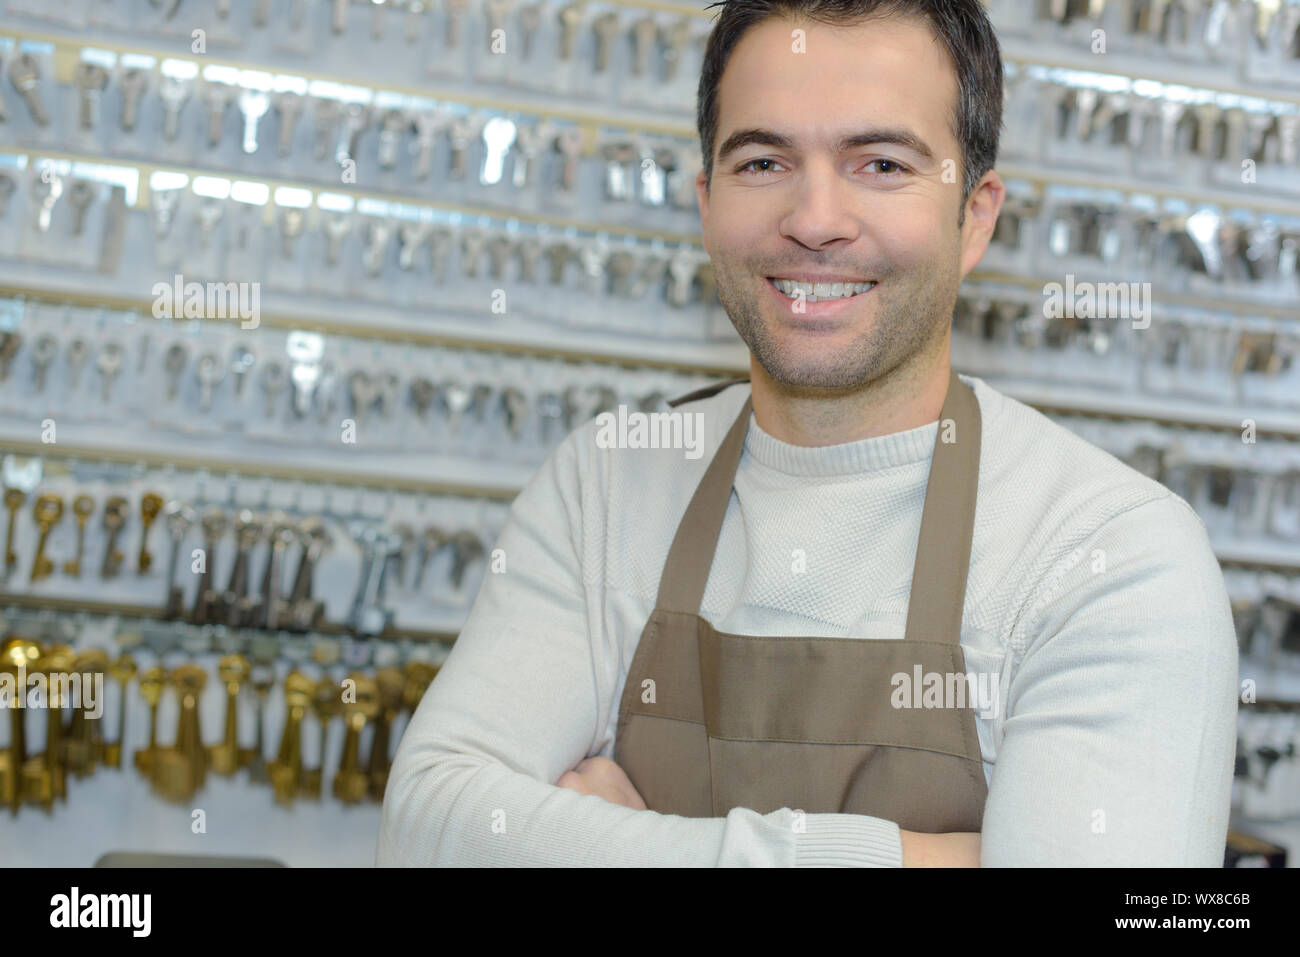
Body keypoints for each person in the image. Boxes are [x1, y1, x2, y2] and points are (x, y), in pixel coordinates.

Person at [378, 0, 1238, 866]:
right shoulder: (604, 486)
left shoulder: (1110, 556)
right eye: (763, 161)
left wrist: (623, 842)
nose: (815, 217)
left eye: (880, 162)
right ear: (707, 202)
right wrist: (932, 857)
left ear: (974, 216)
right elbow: (427, 826)